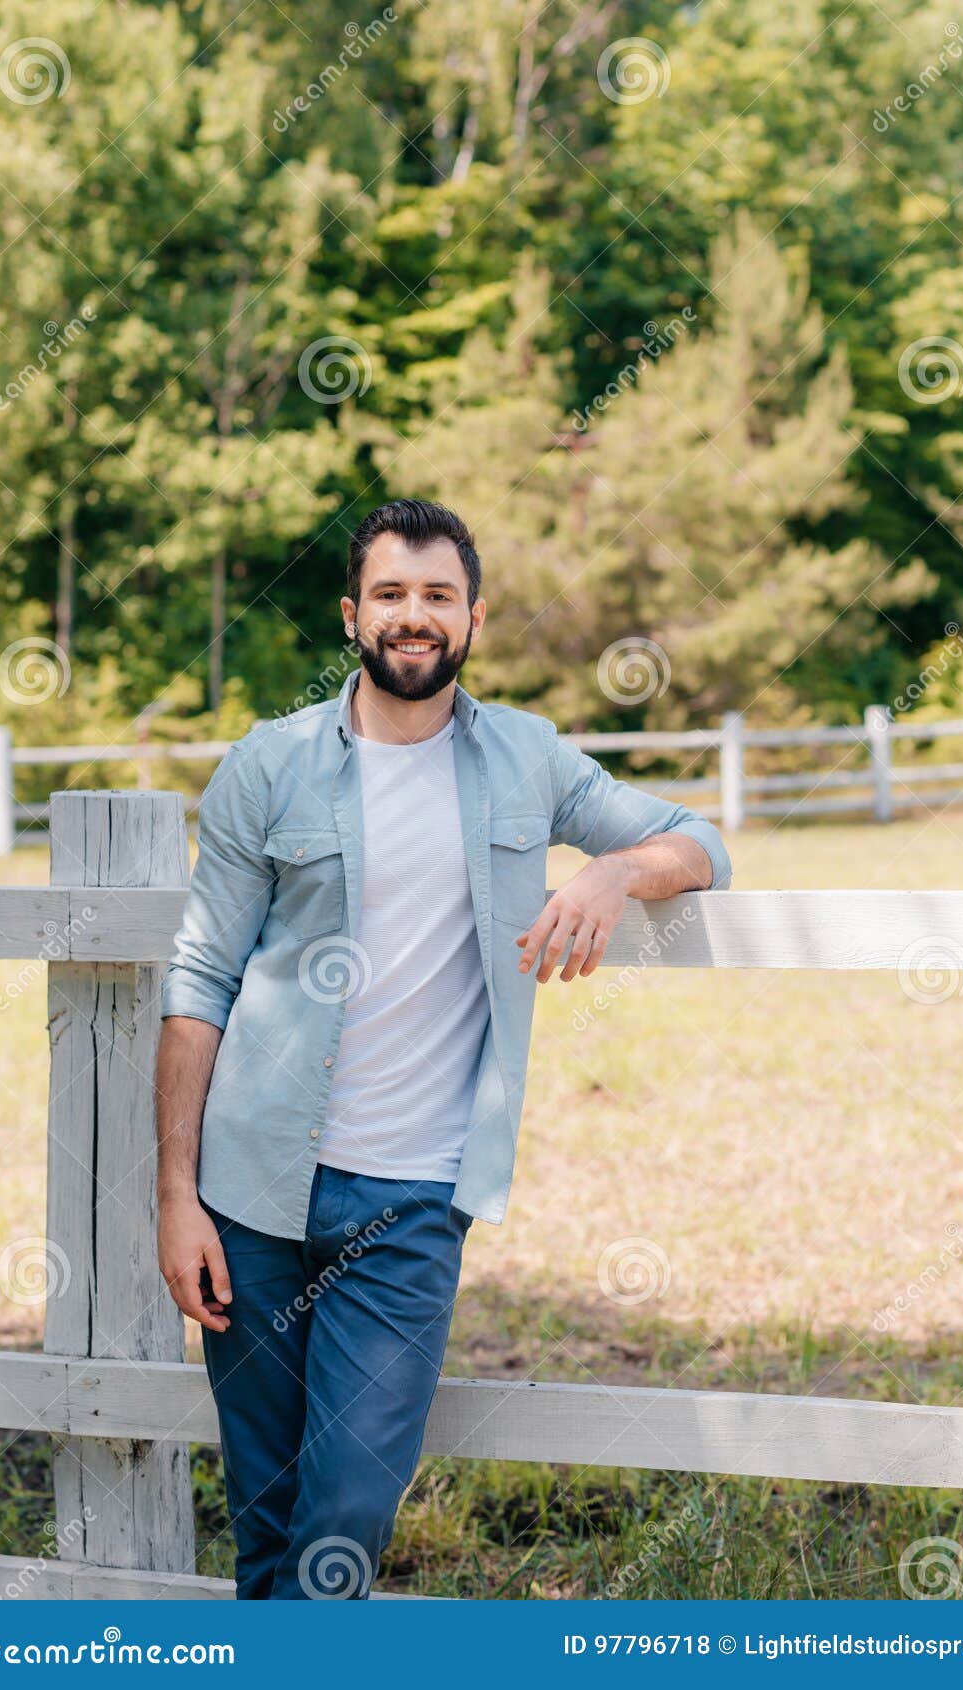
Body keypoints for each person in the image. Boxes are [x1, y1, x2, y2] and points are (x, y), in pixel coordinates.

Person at [154, 497, 732, 1599]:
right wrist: (178, 1193)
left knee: (342, 1525)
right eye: (389, 595)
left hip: (412, 1200)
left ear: (473, 615)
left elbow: (700, 840)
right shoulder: (266, 766)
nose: (412, 616)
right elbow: (198, 981)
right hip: (251, 1192)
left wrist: (611, 873)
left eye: (436, 596)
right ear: (351, 614)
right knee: (269, 1525)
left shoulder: (528, 759)